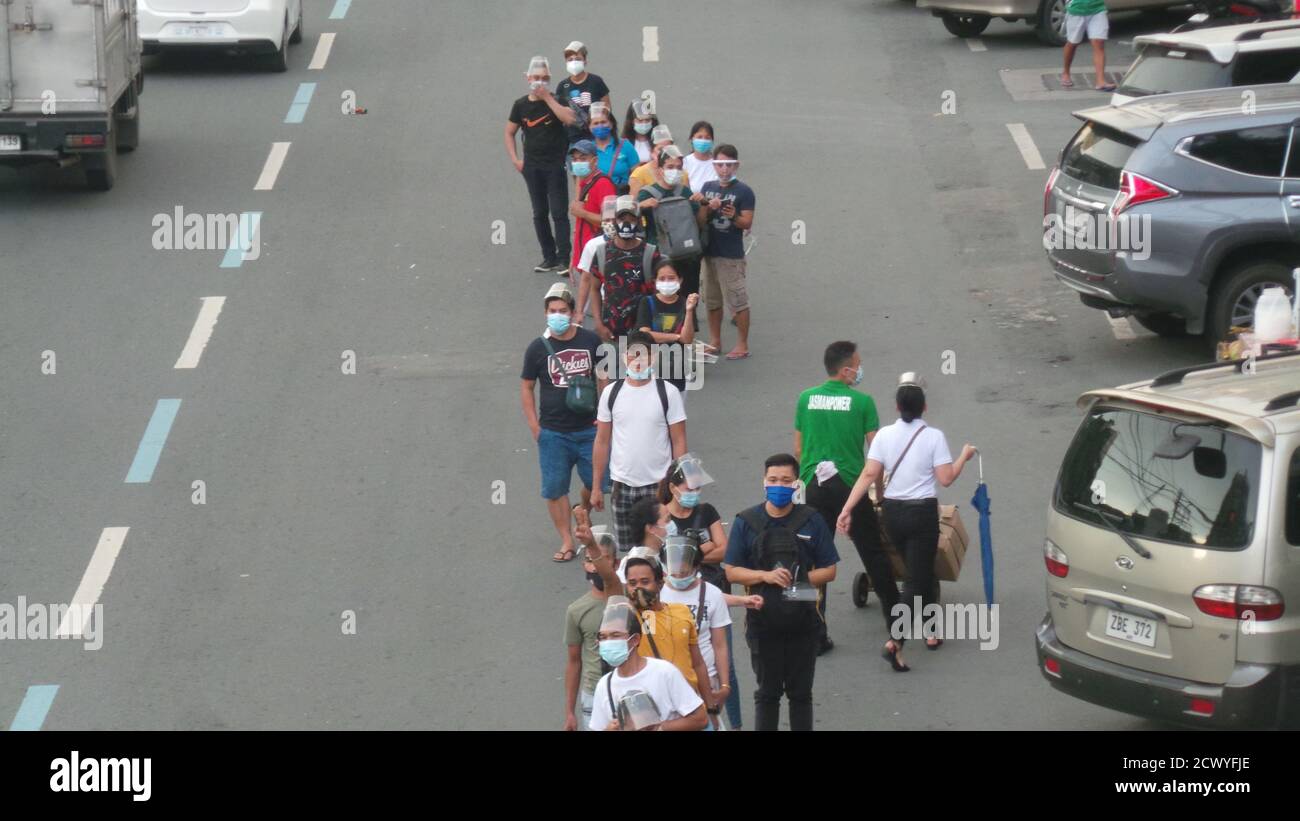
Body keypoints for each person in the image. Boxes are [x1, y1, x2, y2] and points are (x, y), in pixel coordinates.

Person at [837, 373, 978, 672]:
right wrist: (964, 456)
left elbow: (869, 475)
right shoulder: (933, 437)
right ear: (924, 407)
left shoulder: (885, 436)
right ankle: (896, 641)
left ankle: (931, 631)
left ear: (897, 406)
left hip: (893, 515)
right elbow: (946, 479)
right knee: (915, 579)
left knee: (920, 572)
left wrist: (847, 508)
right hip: (922, 515)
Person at [724, 453, 840, 732]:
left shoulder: (812, 520)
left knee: (801, 694)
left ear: (796, 484)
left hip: (804, 615)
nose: (779, 485)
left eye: (786, 480)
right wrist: (765, 576)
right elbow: (731, 570)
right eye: (773, 479)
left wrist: (796, 580)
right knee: (767, 693)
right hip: (761, 614)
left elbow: (829, 570)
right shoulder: (746, 521)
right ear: (764, 482)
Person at [794, 341, 884, 656]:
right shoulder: (863, 402)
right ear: (846, 370)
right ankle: (899, 623)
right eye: (857, 365)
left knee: (812, 560)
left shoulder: (805, 399)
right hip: (850, 486)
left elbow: (798, 449)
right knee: (874, 553)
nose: (860, 370)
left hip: (813, 487)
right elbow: (878, 451)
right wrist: (880, 492)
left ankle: (813, 634)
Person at [520, 282, 610, 562]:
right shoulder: (537, 348)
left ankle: (582, 508)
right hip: (553, 433)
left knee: (599, 483)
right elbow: (526, 387)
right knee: (555, 488)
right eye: (552, 311)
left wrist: (605, 416)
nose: (557, 315)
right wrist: (535, 426)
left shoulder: (591, 341)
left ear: (573, 312)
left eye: (562, 310)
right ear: (546, 314)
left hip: (589, 431)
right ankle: (567, 540)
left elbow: (604, 376)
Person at [659, 456, 751, 730]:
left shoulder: (707, 511)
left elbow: (725, 550)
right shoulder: (662, 515)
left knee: (726, 668)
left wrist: (689, 555)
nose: (694, 494)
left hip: (713, 592)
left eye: (697, 489)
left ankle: (734, 724)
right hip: (676, 597)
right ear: (674, 487)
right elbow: (663, 559)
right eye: (689, 489)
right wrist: (705, 549)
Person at [590, 330, 687, 552]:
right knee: (629, 553)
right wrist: (597, 487)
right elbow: (602, 441)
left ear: (654, 357)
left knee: (665, 548)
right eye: (634, 355)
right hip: (622, 486)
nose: (638, 360)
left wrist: (678, 485)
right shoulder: (611, 394)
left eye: (644, 355)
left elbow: (679, 442)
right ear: (625, 357)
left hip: (659, 486)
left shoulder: (668, 393)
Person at [588, 596, 707, 731]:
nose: (608, 642)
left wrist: (658, 728)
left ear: (635, 640)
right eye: (603, 637)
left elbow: (700, 719)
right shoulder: (604, 685)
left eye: (616, 635)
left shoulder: (664, 672)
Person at [506, 56, 578, 275]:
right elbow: (510, 132)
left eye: (545, 78)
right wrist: (515, 159)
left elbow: (569, 119)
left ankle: (564, 259)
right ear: (527, 78)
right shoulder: (520, 105)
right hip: (532, 167)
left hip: (555, 165)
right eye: (536, 78)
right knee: (539, 213)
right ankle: (549, 257)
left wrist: (547, 98)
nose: (540, 82)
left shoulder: (557, 100)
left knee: (559, 212)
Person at [624, 556, 717, 715]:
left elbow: (698, 663)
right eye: (632, 583)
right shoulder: (629, 618)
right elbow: (609, 582)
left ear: (660, 584)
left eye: (645, 582)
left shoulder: (681, 611)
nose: (638, 588)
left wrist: (710, 708)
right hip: (649, 712)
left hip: (690, 706)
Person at [658, 539, 734, 729]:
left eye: (684, 572)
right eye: (673, 571)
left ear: (696, 567)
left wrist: (724, 685)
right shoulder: (657, 595)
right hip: (669, 682)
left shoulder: (713, 594)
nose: (678, 576)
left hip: (707, 680)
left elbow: (720, 645)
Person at [698, 144, 755, 361]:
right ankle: (715, 342)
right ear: (714, 165)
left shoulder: (744, 191)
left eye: (729, 165)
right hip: (709, 252)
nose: (724, 169)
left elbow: (747, 222)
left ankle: (742, 343)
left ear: (736, 166)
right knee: (712, 301)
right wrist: (707, 208)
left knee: (738, 300)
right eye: (720, 164)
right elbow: (700, 221)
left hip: (731, 255)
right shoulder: (707, 187)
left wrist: (732, 216)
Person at [564, 519, 617, 730]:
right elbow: (574, 662)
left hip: (627, 687)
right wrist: (569, 712)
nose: (595, 565)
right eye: (589, 560)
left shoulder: (622, 597)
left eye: (603, 559)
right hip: (593, 694)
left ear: (616, 563)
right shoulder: (576, 610)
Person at [584, 198, 661, 342]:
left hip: (644, 333)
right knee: (612, 364)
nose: (626, 224)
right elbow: (594, 289)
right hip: (611, 332)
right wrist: (599, 324)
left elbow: (659, 292)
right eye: (621, 219)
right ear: (614, 221)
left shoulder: (650, 253)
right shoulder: (602, 252)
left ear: (638, 221)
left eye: (631, 219)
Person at [636, 145, 706, 303]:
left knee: (687, 301)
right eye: (670, 167)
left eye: (679, 168)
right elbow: (631, 221)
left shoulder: (685, 192)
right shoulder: (647, 193)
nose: (675, 171)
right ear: (660, 169)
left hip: (687, 257)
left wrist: (703, 204)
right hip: (660, 257)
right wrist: (641, 206)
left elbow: (700, 223)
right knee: (661, 302)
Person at [635, 260, 698, 394]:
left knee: (676, 411)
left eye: (671, 278)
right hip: (650, 369)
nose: (667, 282)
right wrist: (676, 336)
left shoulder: (686, 304)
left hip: (677, 369)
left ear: (680, 280)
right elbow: (645, 334)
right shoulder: (647, 302)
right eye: (662, 279)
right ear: (655, 282)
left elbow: (687, 339)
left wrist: (690, 310)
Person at [567, 139, 616, 284]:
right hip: (585, 256)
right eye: (575, 159)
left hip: (597, 257)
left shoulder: (603, 184)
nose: (578, 162)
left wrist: (583, 213)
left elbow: (610, 223)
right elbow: (579, 227)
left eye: (583, 158)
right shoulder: (584, 183)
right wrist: (574, 258)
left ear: (594, 160)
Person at [556, 41, 611, 142]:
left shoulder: (596, 81)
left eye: (578, 59)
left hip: (595, 136)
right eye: (570, 60)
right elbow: (560, 112)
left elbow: (607, 106)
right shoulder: (562, 86)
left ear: (585, 61)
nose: (574, 62)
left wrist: (600, 126)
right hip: (572, 138)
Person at [1060, 0, 1115, 92]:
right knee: (1072, 43)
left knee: (1099, 43)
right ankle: (1066, 72)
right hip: (1076, 9)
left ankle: (1100, 81)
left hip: (1097, 9)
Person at [589, 103, 637, 193]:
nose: (600, 126)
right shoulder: (587, 150)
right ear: (590, 127)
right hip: (596, 198)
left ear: (611, 124)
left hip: (621, 197)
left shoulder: (625, 145)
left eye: (603, 122)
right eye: (595, 123)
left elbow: (637, 174)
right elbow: (581, 179)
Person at [628, 125, 687, 198]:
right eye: (660, 149)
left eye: (669, 148)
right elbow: (633, 205)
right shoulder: (639, 175)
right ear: (652, 152)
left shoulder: (682, 174)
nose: (665, 152)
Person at [621, 99, 659, 167]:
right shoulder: (624, 143)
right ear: (632, 121)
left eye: (647, 120)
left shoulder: (658, 142)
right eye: (640, 120)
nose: (644, 124)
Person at [683, 121, 719, 189]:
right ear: (692, 139)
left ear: (712, 141)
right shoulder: (685, 162)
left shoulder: (718, 163)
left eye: (707, 138)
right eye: (699, 137)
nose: (703, 140)